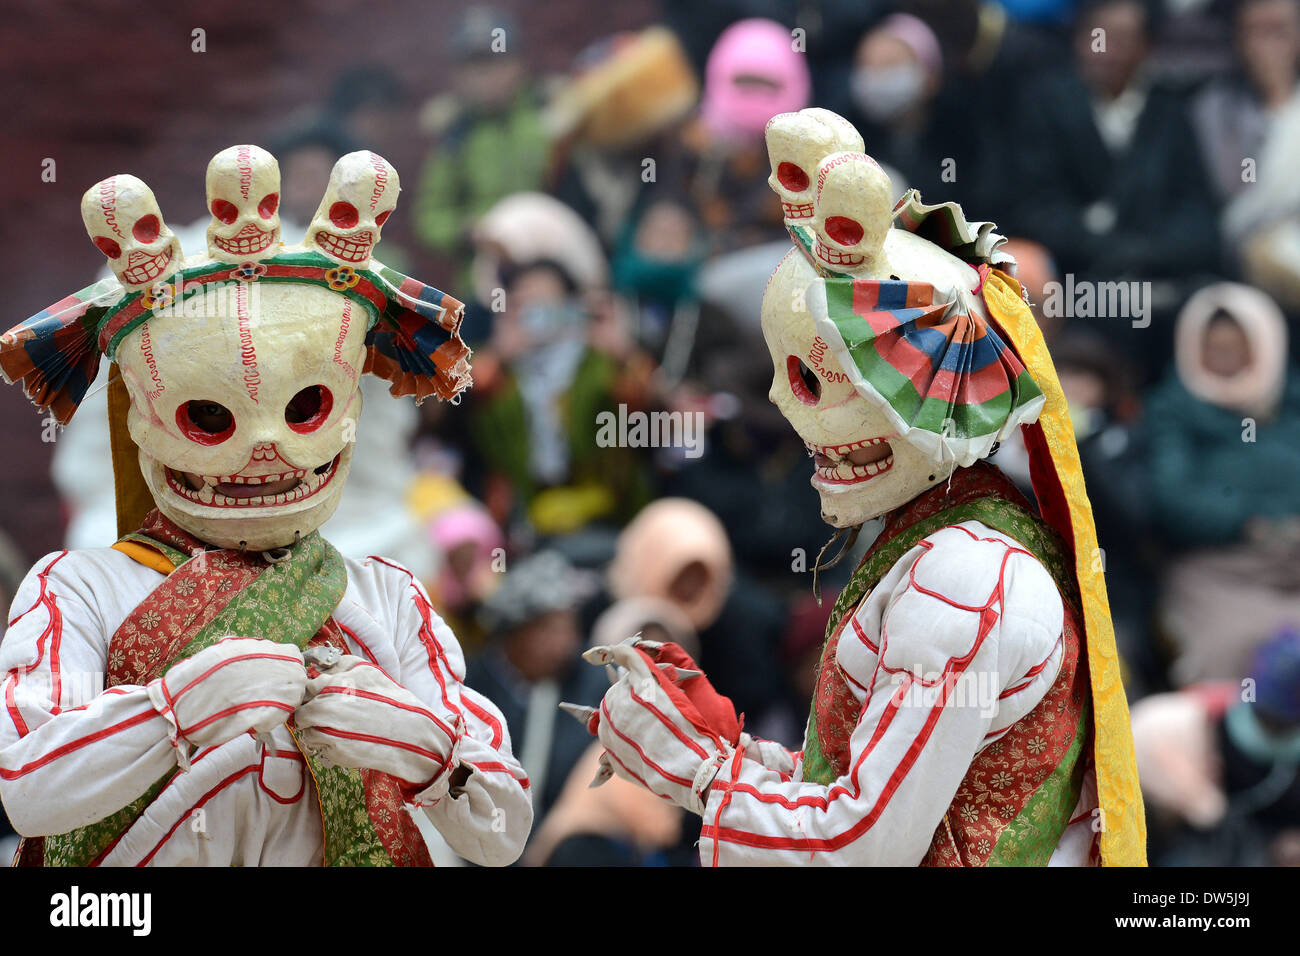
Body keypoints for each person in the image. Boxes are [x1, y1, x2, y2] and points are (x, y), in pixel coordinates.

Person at [571, 110, 1146, 866]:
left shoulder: (963, 579)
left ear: (925, 394)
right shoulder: (941, 543)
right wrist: (729, 752)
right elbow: (848, 790)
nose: (781, 403)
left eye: (811, 378)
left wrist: (703, 774)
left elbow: (859, 846)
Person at [0, 146, 530, 866]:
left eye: (305, 407)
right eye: (211, 419)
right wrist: (173, 713)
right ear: (142, 422)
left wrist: (426, 750)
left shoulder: (390, 596)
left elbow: (504, 835)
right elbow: (28, 788)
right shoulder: (79, 588)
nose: (265, 450)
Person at [1146, 282, 1300, 684]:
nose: (1224, 358)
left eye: (1237, 346)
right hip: (1217, 571)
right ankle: (1230, 745)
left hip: (1294, 563)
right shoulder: (1173, 410)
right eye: (1213, 347)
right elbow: (1173, 498)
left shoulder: (1294, 405)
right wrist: (1248, 522)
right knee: (1235, 649)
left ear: (1266, 345)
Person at [465, 551, 605, 823]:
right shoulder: (470, 687)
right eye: (548, 630)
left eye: (569, 627)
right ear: (513, 633)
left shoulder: (588, 683)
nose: (564, 643)